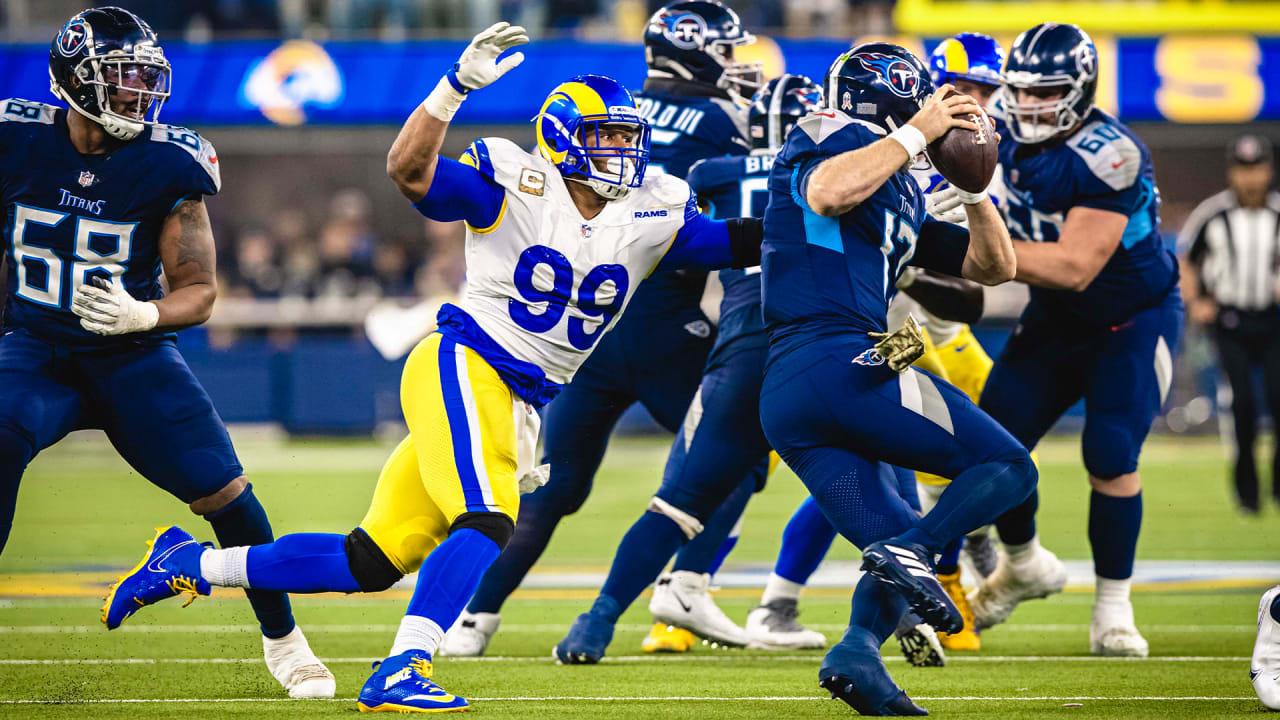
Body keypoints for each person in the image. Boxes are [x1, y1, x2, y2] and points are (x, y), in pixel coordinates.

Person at [102, 23, 763, 713]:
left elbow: (735, 240)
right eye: (611, 136)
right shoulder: (514, 181)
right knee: (488, 518)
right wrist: (453, 90)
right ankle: (403, 665)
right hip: (469, 362)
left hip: (522, 397)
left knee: (370, 561)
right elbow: (409, 173)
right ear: (565, 137)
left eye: (630, 137)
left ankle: (189, 565)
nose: (626, 150)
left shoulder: (652, 211)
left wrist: (814, 193)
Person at [1, 6, 332, 699]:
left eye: (145, 80)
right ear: (73, 79)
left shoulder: (170, 160)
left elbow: (201, 289)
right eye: (120, 79)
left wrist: (143, 312)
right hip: (37, 348)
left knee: (228, 494)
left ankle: (285, 639)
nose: (137, 96)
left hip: (132, 354)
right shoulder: (16, 137)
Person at [447, 0, 763, 656]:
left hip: (583, 335)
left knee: (552, 490)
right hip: (662, 321)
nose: (736, 64)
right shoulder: (719, 120)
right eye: (726, 51)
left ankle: (473, 618)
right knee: (736, 457)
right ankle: (687, 587)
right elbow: (733, 223)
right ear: (696, 51)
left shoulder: (624, 111)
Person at [759, 43, 1034, 714]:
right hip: (834, 357)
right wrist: (918, 131)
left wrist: (974, 192)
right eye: (920, 109)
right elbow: (826, 192)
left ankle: (856, 653)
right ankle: (918, 549)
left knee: (894, 543)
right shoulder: (832, 133)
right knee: (1008, 467)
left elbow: (993, 268)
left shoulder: (899, 188)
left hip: (800, 389)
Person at [551, 75, 823, 663]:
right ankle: (806, 609)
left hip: (746, 344)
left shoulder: (712, 174)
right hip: (822, 342)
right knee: (875, 474)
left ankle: (600, 619)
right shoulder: (845, 178)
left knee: (681, 497)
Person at [968, 22, 1183, 659]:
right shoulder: (995, 135)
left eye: (1048, 91)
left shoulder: (1109, 151)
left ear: (1081, 88)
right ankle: (1023, 565)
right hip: (1055, 319)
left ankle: (1113, 607)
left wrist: (965, 249)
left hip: (1130, 321)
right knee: (995, 453)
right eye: (1021, 91)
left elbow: (1074, 265)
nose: (1029, 104)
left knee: (1110, 453)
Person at [1180, 134, 1279, 513]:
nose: (1250, 178)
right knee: (1243, 406)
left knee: (1278, 398)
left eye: (1256, 168)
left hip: (1272, 320)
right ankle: (1247, 492)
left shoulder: (1277, 214)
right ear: (1232, 172)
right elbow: (1188, 259)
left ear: (1268, 170)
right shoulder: (1213, 214)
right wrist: (1197, 302)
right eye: (1243, 169)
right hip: (1231, 320)